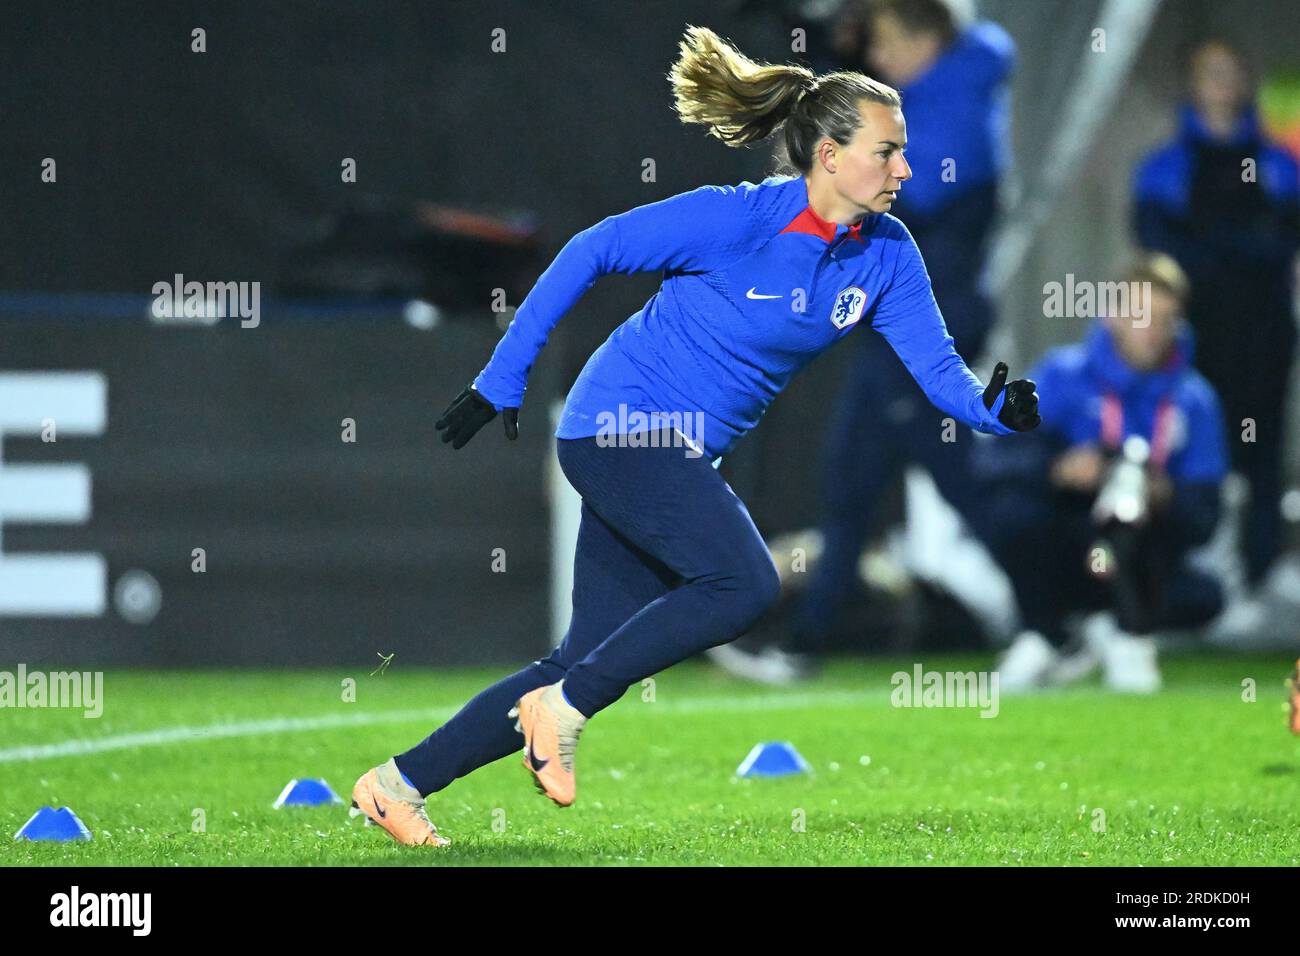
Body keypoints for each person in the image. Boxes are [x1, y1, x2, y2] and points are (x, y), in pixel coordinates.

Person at [350, 25, 1039, 846]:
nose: (906, 169)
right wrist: (504, 375)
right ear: (827, 155)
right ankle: (564, 711)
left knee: (579, 658)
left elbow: (940, 371)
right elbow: (592, 248)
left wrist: (992, 412)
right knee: (743, 585)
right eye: (888, 151)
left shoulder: (886, 255)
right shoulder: (738, 220)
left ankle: (398, 784)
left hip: (674, 455)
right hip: (617, 429)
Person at [734, 0, 1017, 680]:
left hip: (931, 329)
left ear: (929, 39)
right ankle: (804, 645)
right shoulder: (928, 94)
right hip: (898, 325)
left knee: (957, 482)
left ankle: (1061, 612)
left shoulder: (956, 100)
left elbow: (907, 198)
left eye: (890, 44)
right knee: (851, 485)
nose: (880, 59)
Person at [984, 254, 1228, 693]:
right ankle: (1045, 633)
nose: (1152, 331)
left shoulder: (1195, 399)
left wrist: (1166, 494)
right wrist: (1058, 468)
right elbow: (997, 462)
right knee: (1011, 511)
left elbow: (1205, 517)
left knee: (1205, 597)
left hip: (1144, 551)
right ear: (1113, 314)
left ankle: (1120, 630)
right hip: (1070, 540)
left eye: (1164, 319)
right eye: (1141, 317)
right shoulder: (1062, 374)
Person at [1133, 39, 1300, 606]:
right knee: (1197, 443)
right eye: (1210, 75)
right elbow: (1160, 247)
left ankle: (1261, 569)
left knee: (1263, 446)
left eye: (1231, 74)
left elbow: (1281, 244)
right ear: (1193, 84)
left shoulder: (1279, 166)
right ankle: (1201, 575)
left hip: (1265, 333)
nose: (1221, 86)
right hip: (1198, 335)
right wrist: (1234, 251)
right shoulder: (1165, 167)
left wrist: (1222, 250)